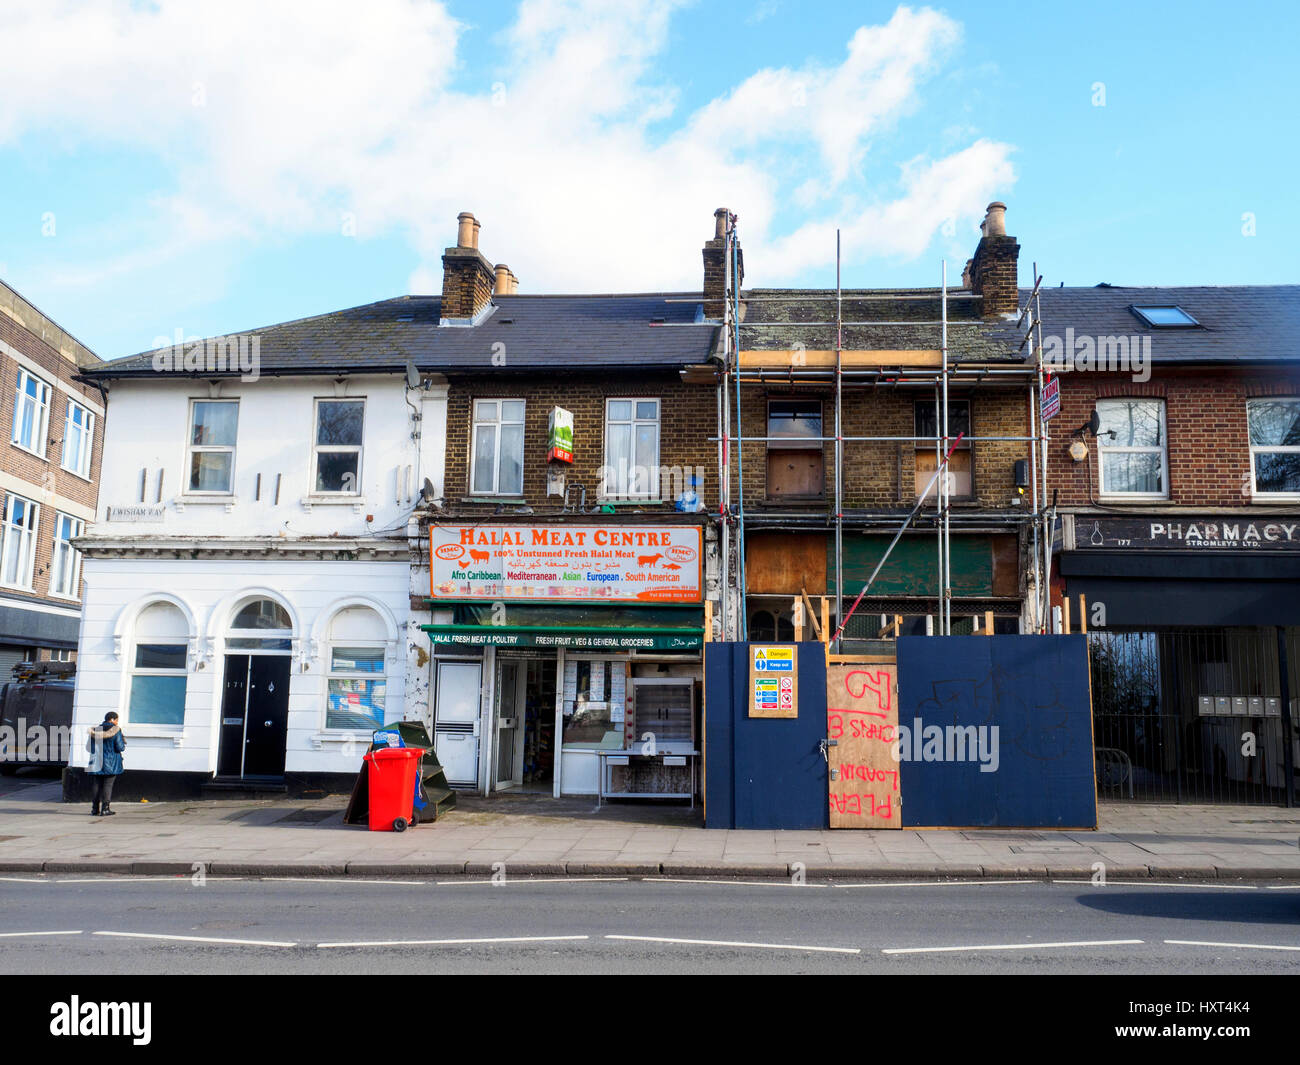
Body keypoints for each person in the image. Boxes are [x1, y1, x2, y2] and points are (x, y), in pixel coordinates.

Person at [87, 712, 126, 817]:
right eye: (117, 719)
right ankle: (105, 809)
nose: (117, 722)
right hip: (111, 762)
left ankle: (94, 809)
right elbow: (120, 747)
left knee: (96, 784)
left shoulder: (95, 730)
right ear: (112, 719)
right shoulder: (116, 730)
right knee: (108, 785)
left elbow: (89, 748)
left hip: (95, 762)